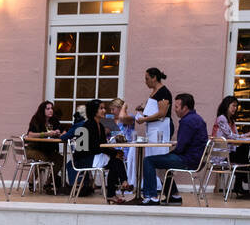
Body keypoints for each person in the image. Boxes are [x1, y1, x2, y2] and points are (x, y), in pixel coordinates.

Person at [139, 93, 205, 205]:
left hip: (188, 160)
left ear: (185, 108)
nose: (174, 109)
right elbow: (186, 142)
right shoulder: (197, 118)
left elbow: (181, 148)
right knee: (161, 163)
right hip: (197, 159)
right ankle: (174, 196)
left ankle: (151, 197)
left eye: (177, 107)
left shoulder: (187, 121)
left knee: (149, 160)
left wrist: (170, 153)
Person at [71, 99, 128, 201]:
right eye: (101, 108)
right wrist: (114, 152)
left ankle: (118, 188)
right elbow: (96, 147)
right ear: (94, 111)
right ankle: (120, 186)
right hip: (84, 159)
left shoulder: (100, 125)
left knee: (116, 161)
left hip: (93, 156)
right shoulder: (88, 125)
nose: (104, 111)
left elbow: (101, 146)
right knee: (116, 160)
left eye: (104, 108)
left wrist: (114, 152)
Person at [137, 68, 175, 202]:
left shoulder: (163, 92)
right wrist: (144, 110)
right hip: (154, 128)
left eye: (147, 78)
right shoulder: (154, 92)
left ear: (154, 78)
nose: (145, 81)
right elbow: (156, 110)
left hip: (161, 128)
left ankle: (152, 194)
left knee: (158, 160)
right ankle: (174, 194)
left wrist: (144, 119)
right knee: (155, 160)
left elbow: (162, 113)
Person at [210, 95, 250, 198]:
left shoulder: (231, 121)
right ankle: (239, 185)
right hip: (221, 155)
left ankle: (239, 184)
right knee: (247, 160)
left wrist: (246, 137)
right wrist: (247, 135)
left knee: (246, 156)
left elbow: (235, 137)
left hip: (228, 153)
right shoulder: (222, 119)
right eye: (233, 106)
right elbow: (231, 136)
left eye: (236, 106)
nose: (235, 108)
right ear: (226, 106)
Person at [26, 100, 64, 193]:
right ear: (42, 110)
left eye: (51, 108)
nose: (51, 110)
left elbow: (62, 129)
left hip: (47, 150)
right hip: (33, 149)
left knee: (60, 159)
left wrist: (59, 133)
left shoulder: (54, 120)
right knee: (43, 160)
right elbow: (30, 134)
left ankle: (49, 182)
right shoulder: (36, 119)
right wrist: (45, 134)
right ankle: (31, 180)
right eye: (48, 109)